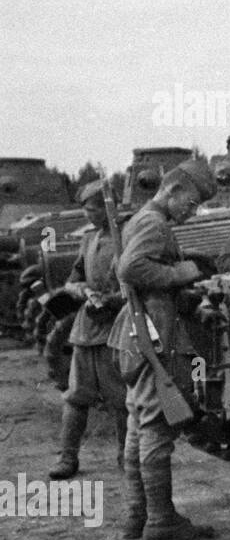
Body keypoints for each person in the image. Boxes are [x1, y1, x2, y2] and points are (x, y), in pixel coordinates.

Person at [108, 159, 220, 540]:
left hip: (137, 333)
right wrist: (184, 273)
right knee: (155, 426)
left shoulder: (143, 220)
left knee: (140, 424)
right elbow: (131, 268)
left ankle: (138, 515)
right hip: (154, 336)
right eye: (191, 203)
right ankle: (160, 521)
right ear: (172, 190)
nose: (194, 211)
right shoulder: (154, 223)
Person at [49, 180, 127, 480]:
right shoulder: (89, 239)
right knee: (76, 396)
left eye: (94, 209)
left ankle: (126, 456)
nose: (89, 215)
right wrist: (80, 290)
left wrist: (111, 300)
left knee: (121, 398)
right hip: (85, 328)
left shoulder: (126, 239)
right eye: (85, 209)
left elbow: (134, 283)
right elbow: (74, 277)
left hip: (116, 326)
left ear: (111, 207)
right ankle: (67, 457)